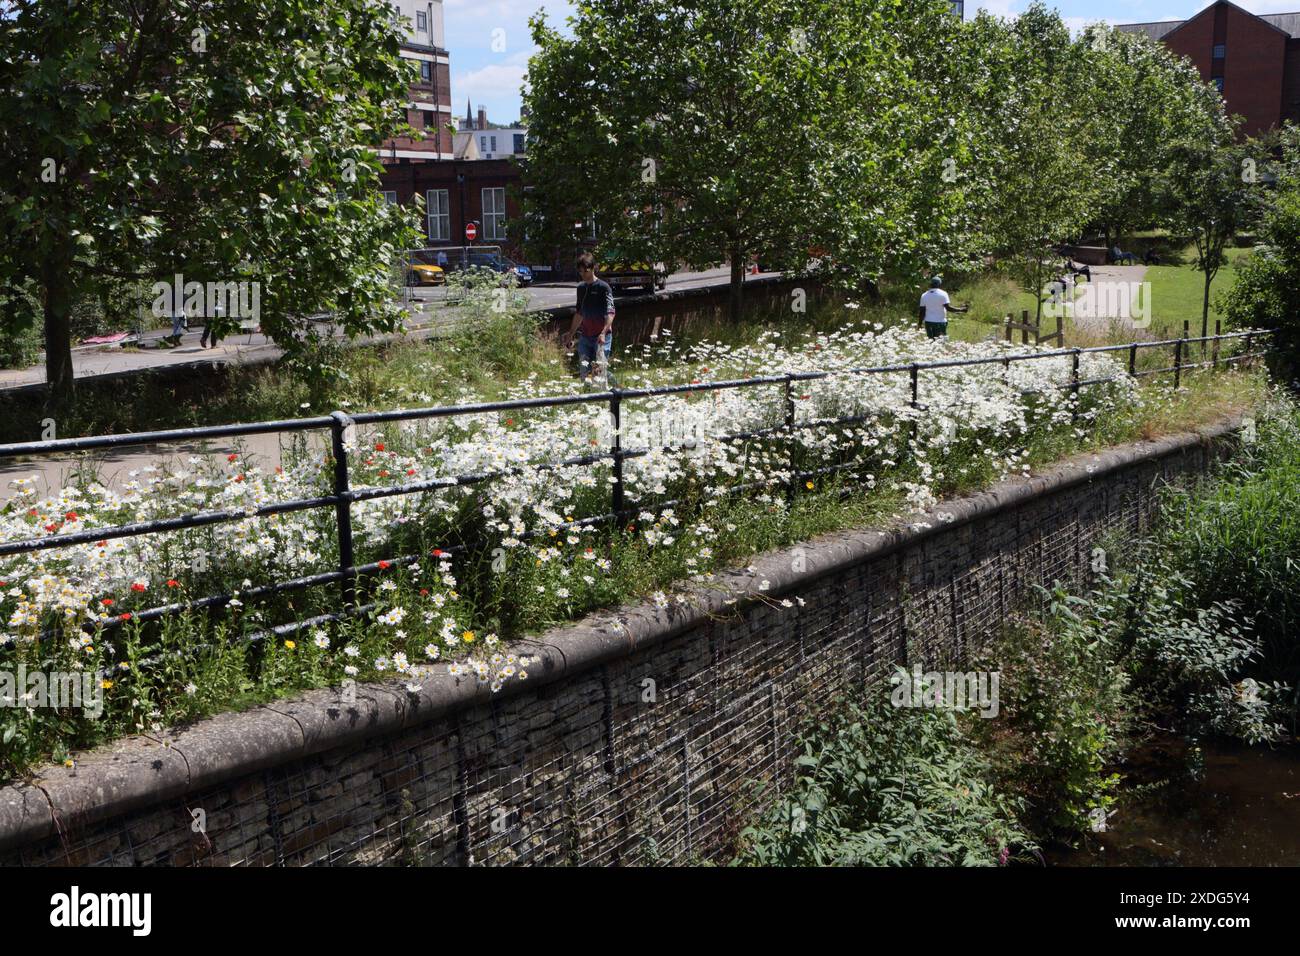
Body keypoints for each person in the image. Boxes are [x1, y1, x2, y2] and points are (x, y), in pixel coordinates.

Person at [567, 252, 615, 383]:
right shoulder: (581, 288)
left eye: (586, 271)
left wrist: (604, 332)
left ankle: (616, 389)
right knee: (584, 372)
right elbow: (579, 313)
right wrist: (570, 335)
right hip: (585, 337)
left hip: (601, 337)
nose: (583, 275)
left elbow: (611, 312)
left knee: (598, 371)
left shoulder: (604, 288)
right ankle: (586, 398)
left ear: (593, 268)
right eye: (580, 272)